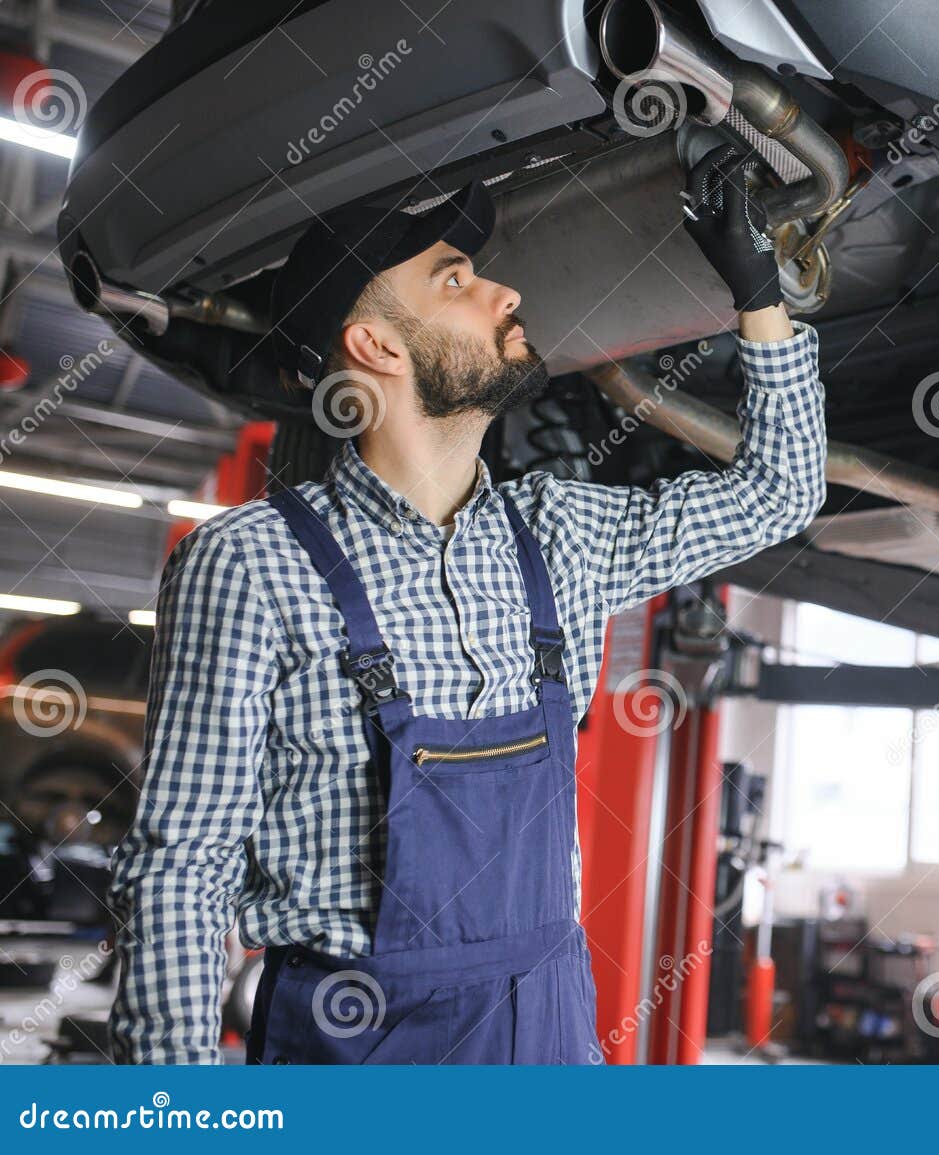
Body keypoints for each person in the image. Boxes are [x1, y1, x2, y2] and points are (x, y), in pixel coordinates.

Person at [106, 142, 826, 1064]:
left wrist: (759, 294)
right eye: (456, 281)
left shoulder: (559, 536)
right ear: (375, 345)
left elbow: (780, 491)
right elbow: (183, 868)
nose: (505, 294)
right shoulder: (251, 562)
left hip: (551, 1021)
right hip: (362, 1041)